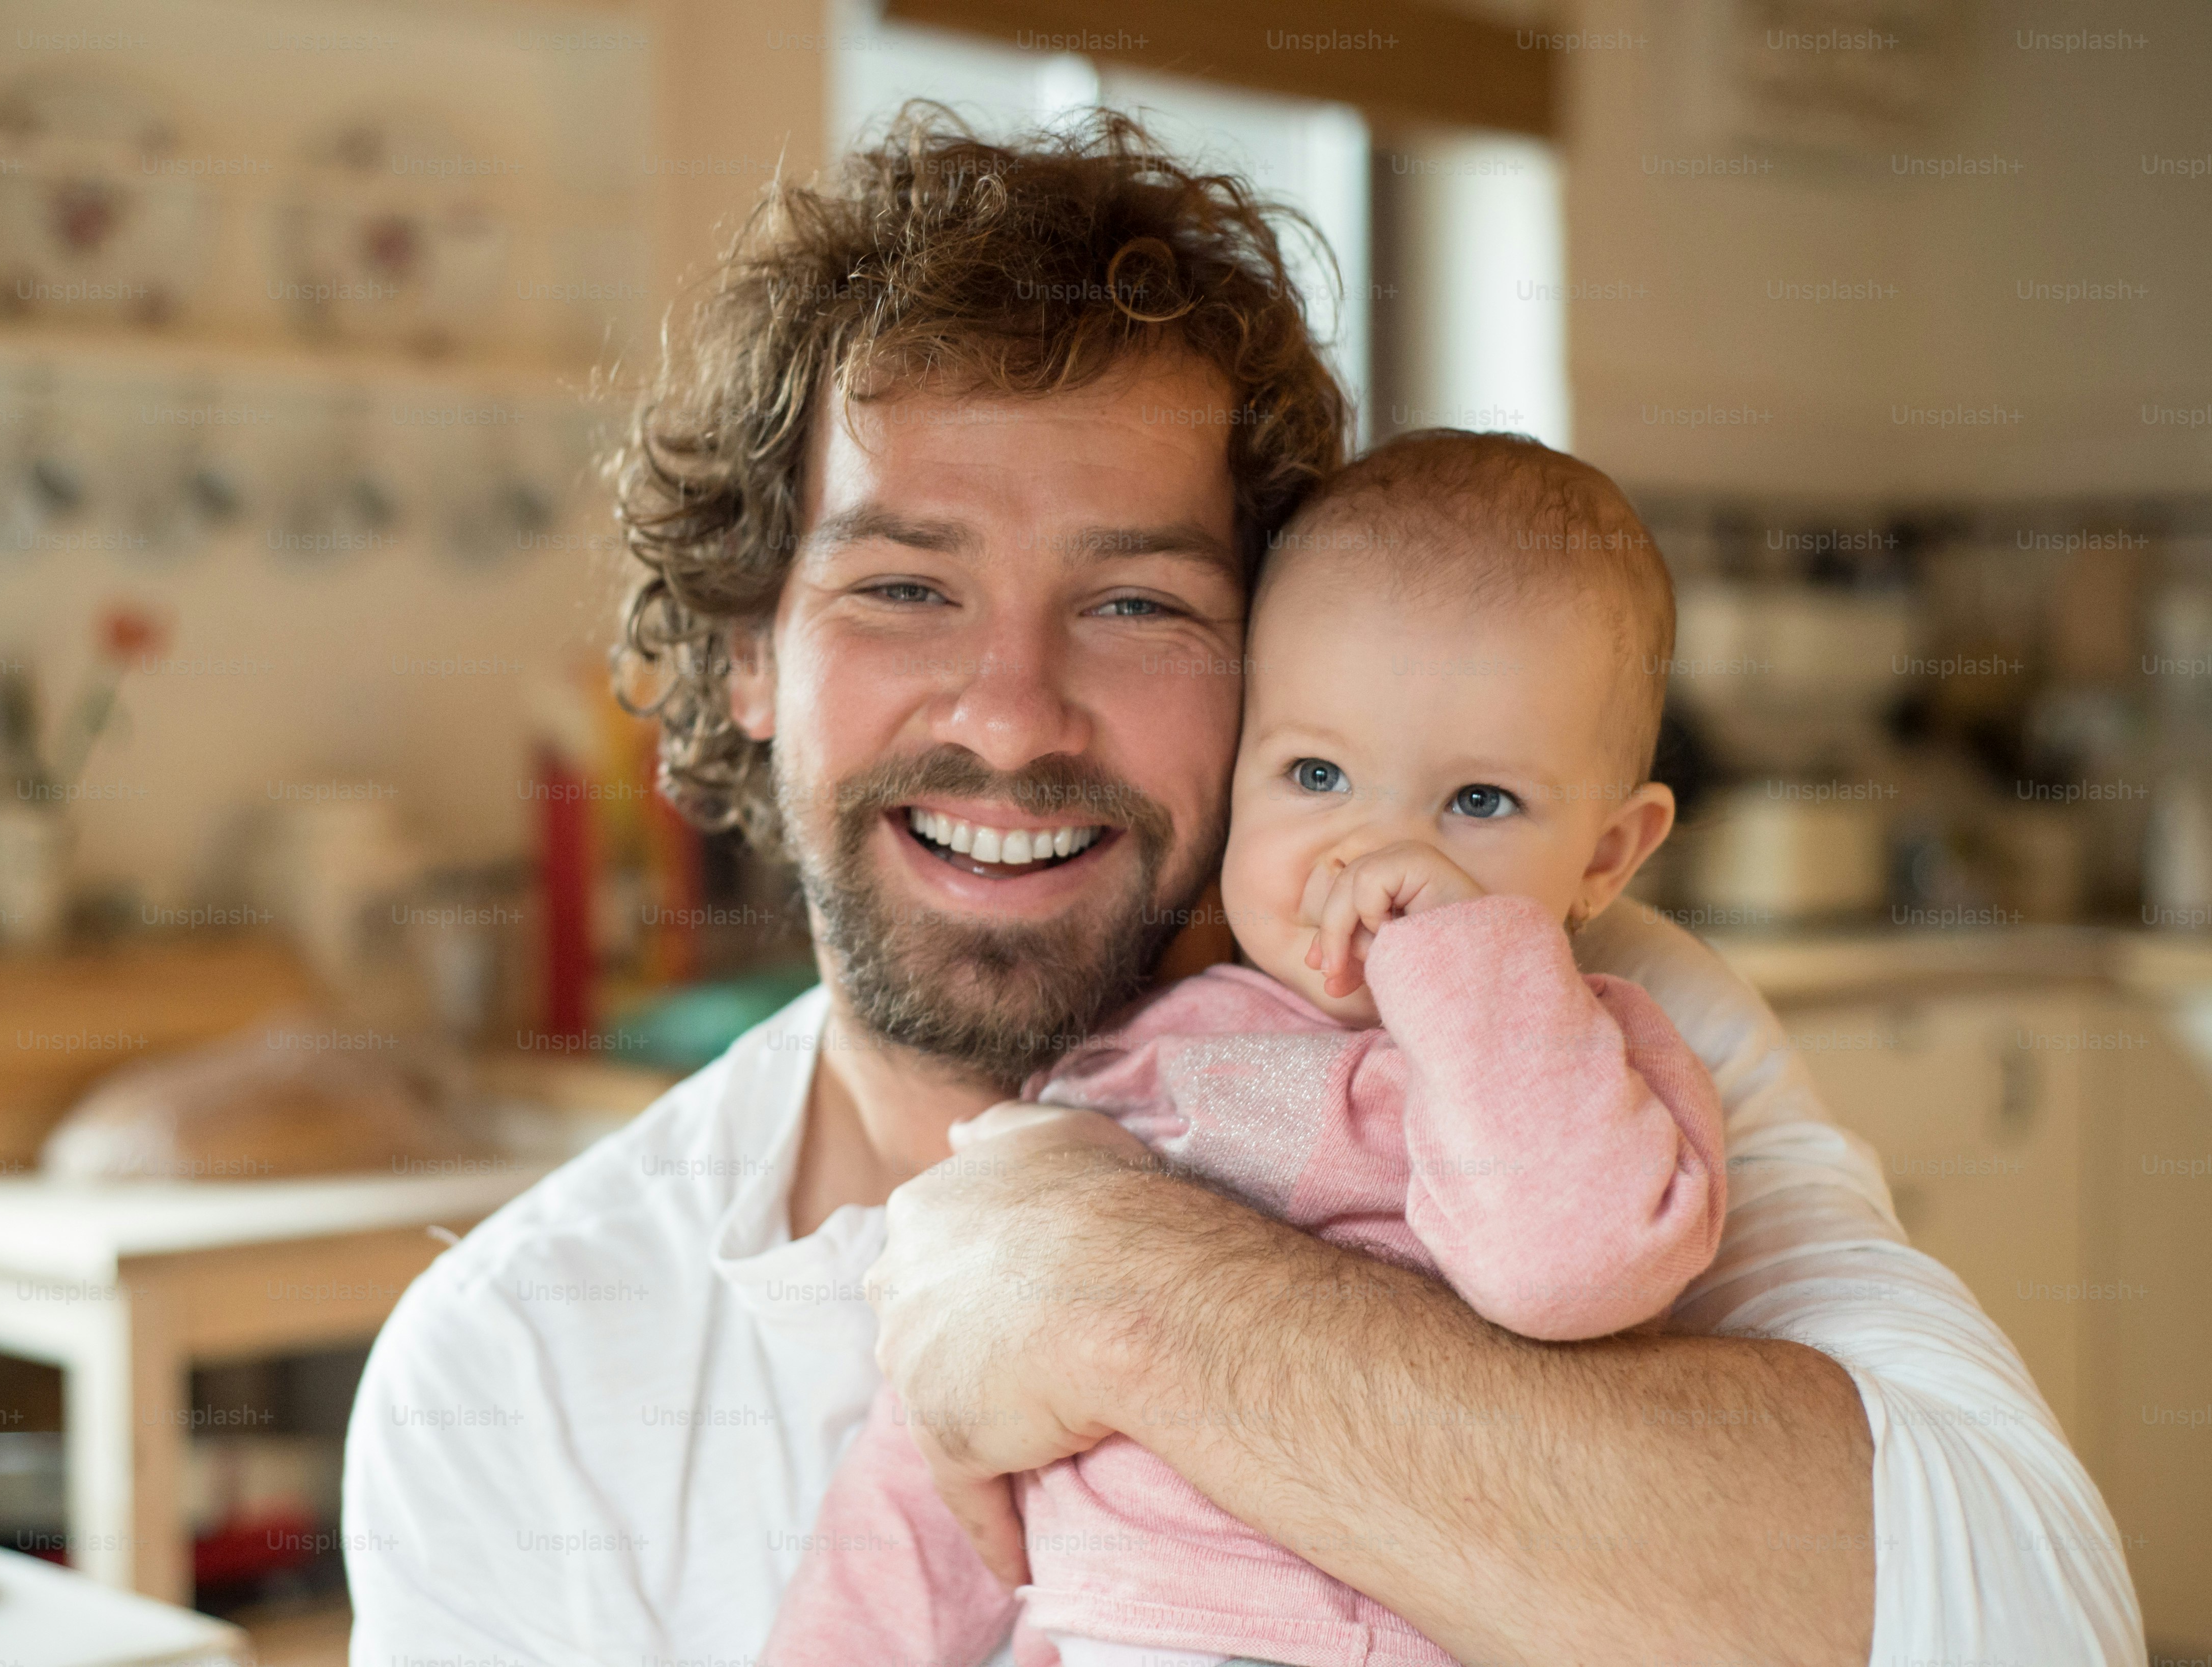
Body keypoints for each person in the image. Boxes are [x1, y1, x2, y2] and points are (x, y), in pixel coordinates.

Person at [341, 108, 2144, 1667]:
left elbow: (2030, 1619)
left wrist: (1100, 1278)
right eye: (902, 585)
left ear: (1270, 661)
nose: (1011, 710)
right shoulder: (516, 1372)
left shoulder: (1582, 1006)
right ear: (747, 655)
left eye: (1135, 605)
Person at [762, 431, 1732, 1667]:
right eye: (1316, 772)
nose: (1372, 856)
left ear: (1607, 855)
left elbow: (1567, 1271)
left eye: (1478, 803)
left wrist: (1459, 965)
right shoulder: (1136, 1065)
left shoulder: (1595, 1064)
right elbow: (942, 1429)